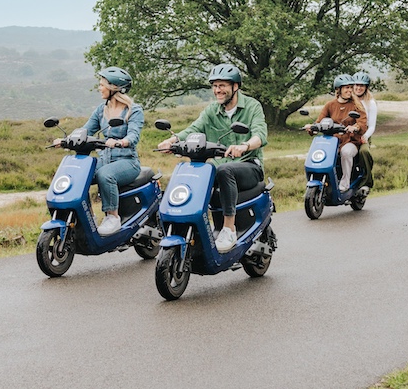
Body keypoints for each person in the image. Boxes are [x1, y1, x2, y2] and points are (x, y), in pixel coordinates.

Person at [157, 63, 267, 253]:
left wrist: (245, 145)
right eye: (215, 86)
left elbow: (260, 134)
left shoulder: (252, 106)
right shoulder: (211, 111)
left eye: (222, 85)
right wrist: (173, 140)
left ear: (236, 86)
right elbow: (194, 129)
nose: (218, 90)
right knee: (192, 174)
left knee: (225, 170)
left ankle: (229, 229)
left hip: (249, 164)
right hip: (219, 166)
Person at [57, 66, 144, 236]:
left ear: (114, 88)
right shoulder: (101, 110)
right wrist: (66, 140)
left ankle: (112, 217)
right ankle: (86, 217)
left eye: (102, 84)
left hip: (127, 162)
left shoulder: (133, 110)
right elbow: (86, 130)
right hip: (105, 159)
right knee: (80, 175)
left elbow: (134, 135)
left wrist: (121, 142)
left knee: (105, 175)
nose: (99, 88)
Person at [307, 73, 367, 192]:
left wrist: (355, 127)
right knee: (317, 155)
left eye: (350, 87)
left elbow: (362, 123)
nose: (349, 90)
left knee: (346, 153)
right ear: (338, 90)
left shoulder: (356, 105)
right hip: (332, 142)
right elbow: (319, 121)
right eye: (346, 88)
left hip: (350, 142)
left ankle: (345, 184)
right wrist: (312, 128)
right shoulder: (330, 105)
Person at [350, 71, 376, 192]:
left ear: (366, 87)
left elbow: (372, 125)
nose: (359, 88)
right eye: (356, 85)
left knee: (364, 152)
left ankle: (367, 182)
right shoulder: (348, 100)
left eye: (362, 85)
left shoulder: (370, 103)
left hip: (363, 134)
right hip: (347, 134)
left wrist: (365, 136)